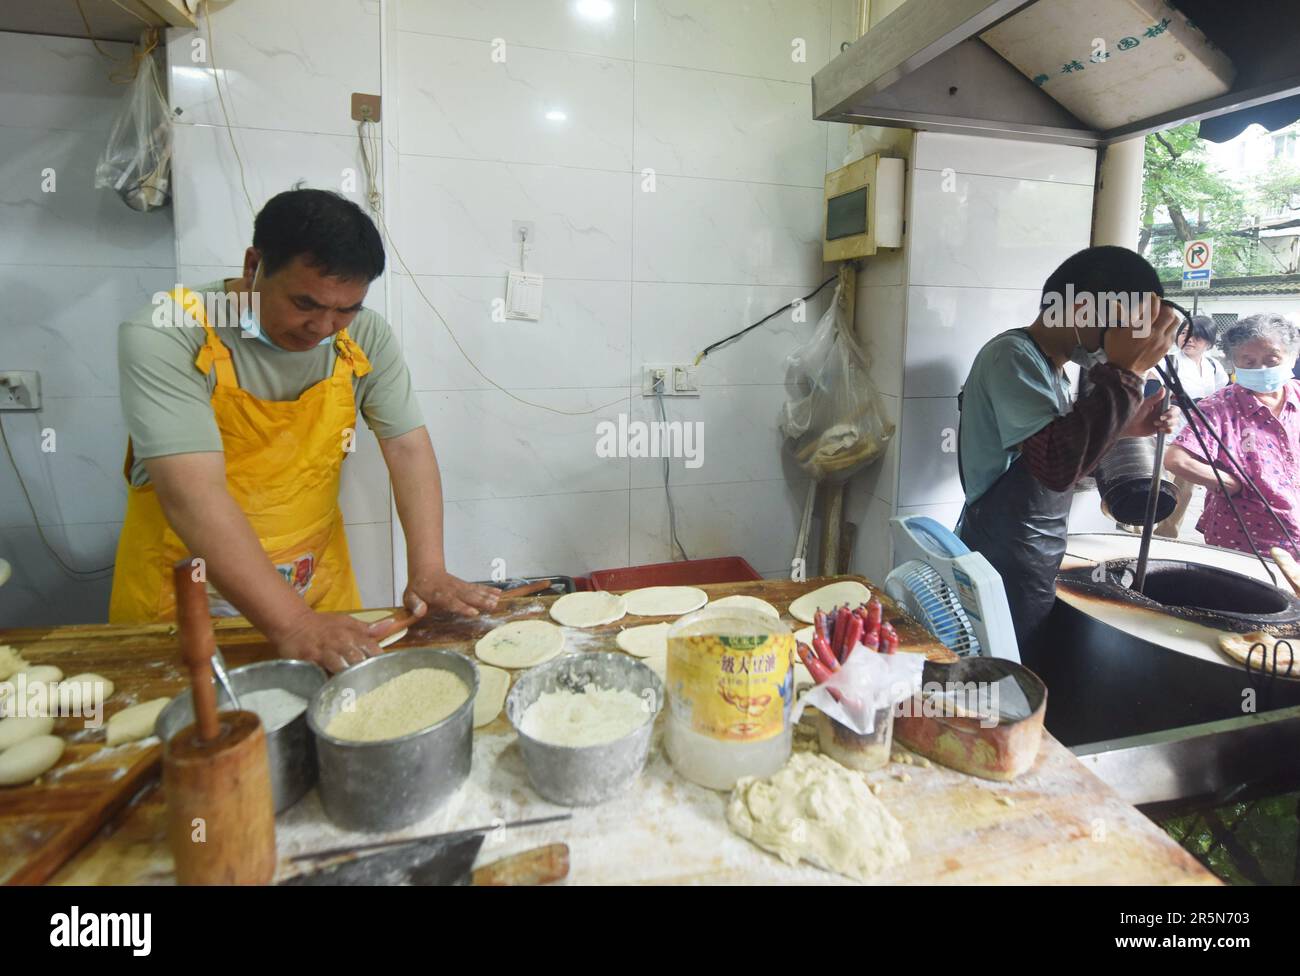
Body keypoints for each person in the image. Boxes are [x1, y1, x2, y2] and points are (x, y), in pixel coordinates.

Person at [110, 188, 499, 671]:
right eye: (305, 303)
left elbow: (406, 449)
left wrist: (429, 569)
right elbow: (194, 496)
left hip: (317, 589)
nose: (321, 326)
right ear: (254, 265)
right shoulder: (170, 333)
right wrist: (292, 623)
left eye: (345, 309)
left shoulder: (363, 337)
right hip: (188, 600)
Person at [957, 246, 1179, 656]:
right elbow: (1055, 465)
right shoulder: (1011, 356)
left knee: (1021, 667)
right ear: (1080, 309)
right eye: (1123, 324)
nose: (1121, 338)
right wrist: (1126, 374)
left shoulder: (1052, 368)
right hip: (1001, 551)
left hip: (1029, 551)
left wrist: (1126, 428)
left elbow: (1063, 454)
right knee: (999, 673)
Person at [1163, 313, 1300, 560]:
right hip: (1244, 536)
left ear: (1291, 357)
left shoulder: (1297, 397)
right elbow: (1177, 459)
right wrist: (1226, 482)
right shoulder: (1219, 407)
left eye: (1272, 359)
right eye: (1248, 362)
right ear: (1235, 363)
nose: (1261, 369)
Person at [1155, 314, 1229, 538]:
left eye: (1197, 336)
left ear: (1208, 341)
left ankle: (1167, 531)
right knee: (1158, 482)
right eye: (1185, 333)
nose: (1189, 340)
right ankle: (1141, 524)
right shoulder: (1166, 361)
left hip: (1196, 435)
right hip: (1166, 430)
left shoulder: (1214, 366)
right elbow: (1152, 393)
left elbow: (1219, 397)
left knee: (1185, 486)